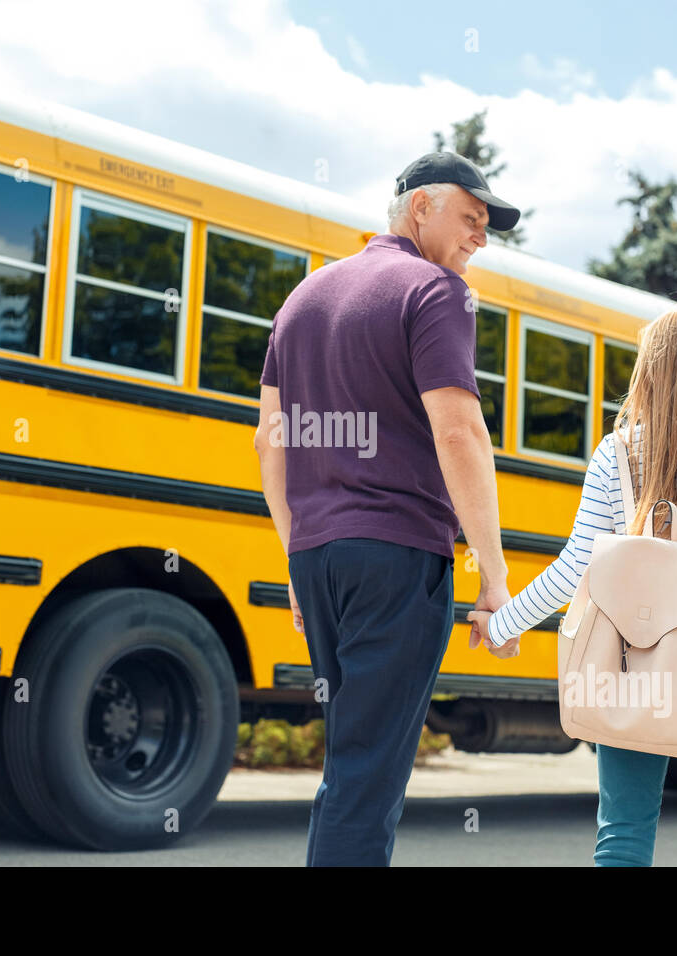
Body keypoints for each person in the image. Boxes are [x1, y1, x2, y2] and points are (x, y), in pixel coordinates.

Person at [253, 152, 522, 866]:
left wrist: (296, 550)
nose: (481, 238)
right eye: (472, 218)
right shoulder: (435, 293)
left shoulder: (303, 298)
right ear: (420, 208)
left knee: (352, 766)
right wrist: (495, 578)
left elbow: (268, 442)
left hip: (318, 559)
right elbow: (460, 432)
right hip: (397, 557)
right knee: (368, 778)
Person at [469, 301, 677, 866]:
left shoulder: (614, 454)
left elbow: (578, 568)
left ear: (653, 368)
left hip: (627, 658)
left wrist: (503, 624)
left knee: (621, 835)